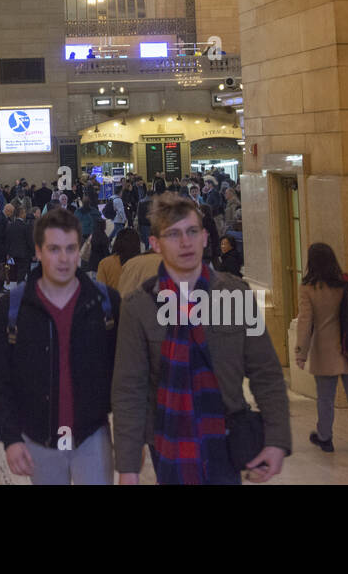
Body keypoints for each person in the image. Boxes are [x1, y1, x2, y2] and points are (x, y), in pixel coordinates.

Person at [111, 195, 290, 485]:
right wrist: (128, 467)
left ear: (205, 237)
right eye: (173, 234)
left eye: (192, 232)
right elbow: (129, 390)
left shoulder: (236, 296)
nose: (185, 242)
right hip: (168, 441)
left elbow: (265, 372)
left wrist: (277, 439)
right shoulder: (138, 307)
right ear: (155, 244)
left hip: (225, 438)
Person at [0, 206, 119, 484]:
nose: (64, 258)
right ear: (38, 251)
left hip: (92, 436)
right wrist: (10, 438)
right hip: (37, 439)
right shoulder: (9, 310)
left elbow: (128, 377)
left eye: (71, 249)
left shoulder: (106, 304)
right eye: (54, 249)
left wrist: (132, 440)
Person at [295, 243, 348, 467]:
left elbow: (305, 322)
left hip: (326, 352)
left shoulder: (308, 288)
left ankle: (325, 438)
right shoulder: (346, 283)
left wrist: (301, 352)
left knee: (325, 400)